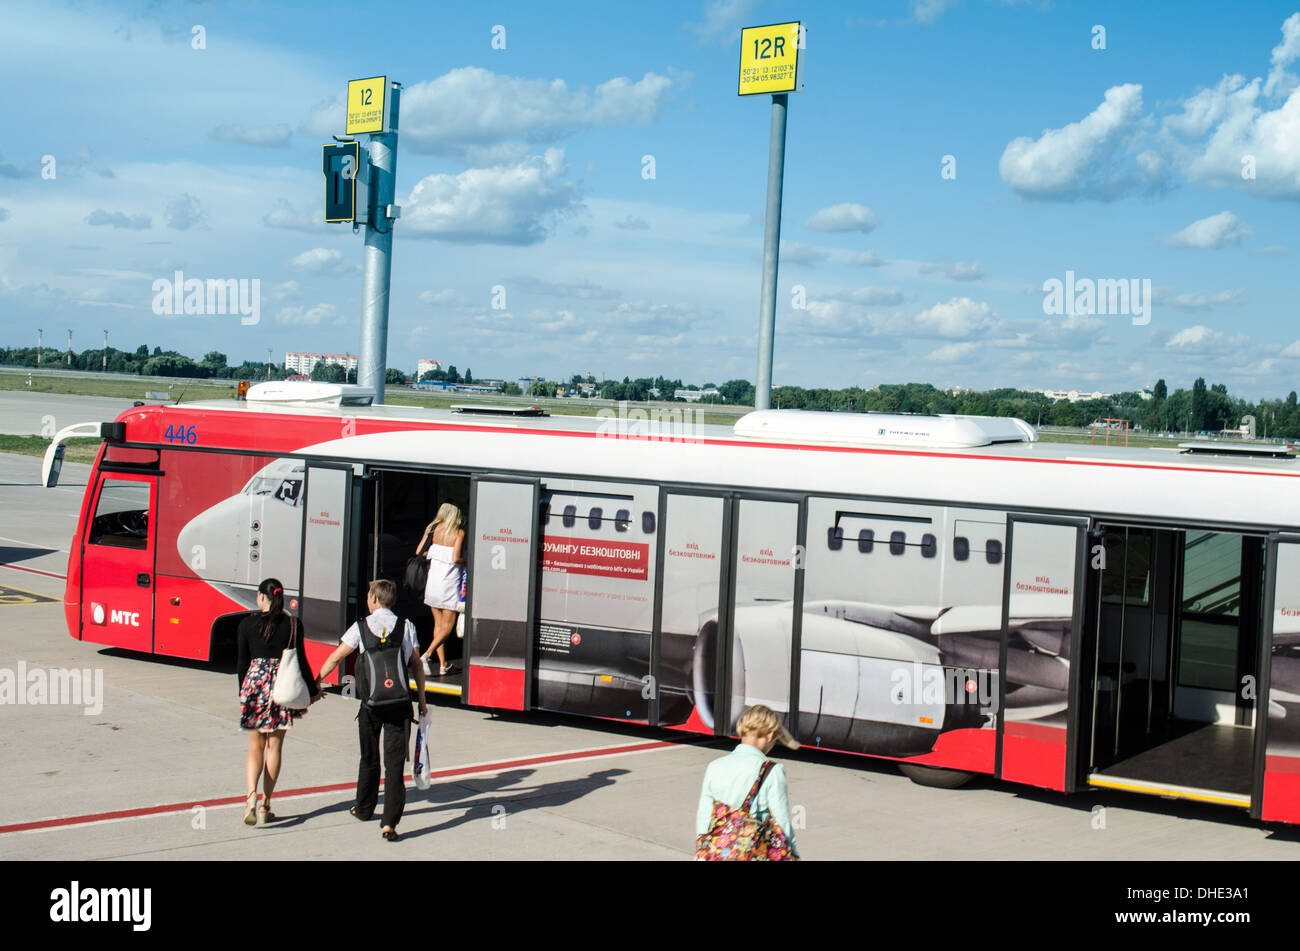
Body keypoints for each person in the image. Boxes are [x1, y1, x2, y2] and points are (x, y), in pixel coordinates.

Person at [317, 579, 428, 841]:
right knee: (394, 765)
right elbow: (416, 665)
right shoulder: (407, 626)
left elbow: (336, 657)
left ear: (375, 599)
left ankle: (365, 809)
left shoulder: (361, 627)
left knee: (369, 759)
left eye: (369, 595)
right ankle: (389, 823)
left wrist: (314, 685)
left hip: (370, 704)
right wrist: (421, 700)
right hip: (400, 704)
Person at [236, 577, 322, 826]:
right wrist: (313, 689)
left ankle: (250, 797)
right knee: (275, 746)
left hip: (254, 685)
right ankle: (266, 804)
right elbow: (302, 661)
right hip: (282, 686)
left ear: (262, 596)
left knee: (255, 746)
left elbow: (242, 664)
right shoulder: (293, 624)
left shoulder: (246, 624)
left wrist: (243, 693)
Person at [695, 704, 800, 860]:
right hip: (751, 852)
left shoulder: (714, 766)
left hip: (716, 853)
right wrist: (793, 854)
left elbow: (703, 818)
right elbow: (782, 821)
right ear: (770, 735)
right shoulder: (771, 770)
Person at [417, 502, 466, 677]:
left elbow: (419, 551)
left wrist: (434, 554)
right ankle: (427, 654)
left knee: (438, 625)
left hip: (433, 582)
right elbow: (456, 558)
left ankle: (443, 665)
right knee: (447, 626)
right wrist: (466, 561)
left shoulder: (433, 529)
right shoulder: (458, 532)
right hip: (449, 583)